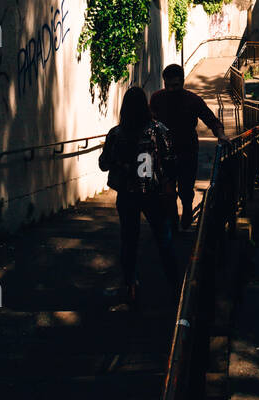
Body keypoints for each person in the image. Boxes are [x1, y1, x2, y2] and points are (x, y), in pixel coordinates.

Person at [98, 86, 181, 306]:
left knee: (129, 240)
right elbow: (172, 160)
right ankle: (177, 287)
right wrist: (170, 185)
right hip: (153, 194)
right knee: (164, 239)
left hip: (127, 194)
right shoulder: (159, 129)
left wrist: (120, 163)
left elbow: (103, 164)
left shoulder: (116, 133)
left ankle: (131, 285)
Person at [149, 64, 228, 231]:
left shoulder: (193, 100)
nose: (171, 89)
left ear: (183, 82)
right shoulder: (157, 98)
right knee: (168, 190)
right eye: (168, 85)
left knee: (186, 188)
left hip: (187, 151)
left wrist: (220, 134)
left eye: (175, 85)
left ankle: (186, 209)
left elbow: (210, 119)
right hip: (164, 153)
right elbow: (150, 121)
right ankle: (172, 220)